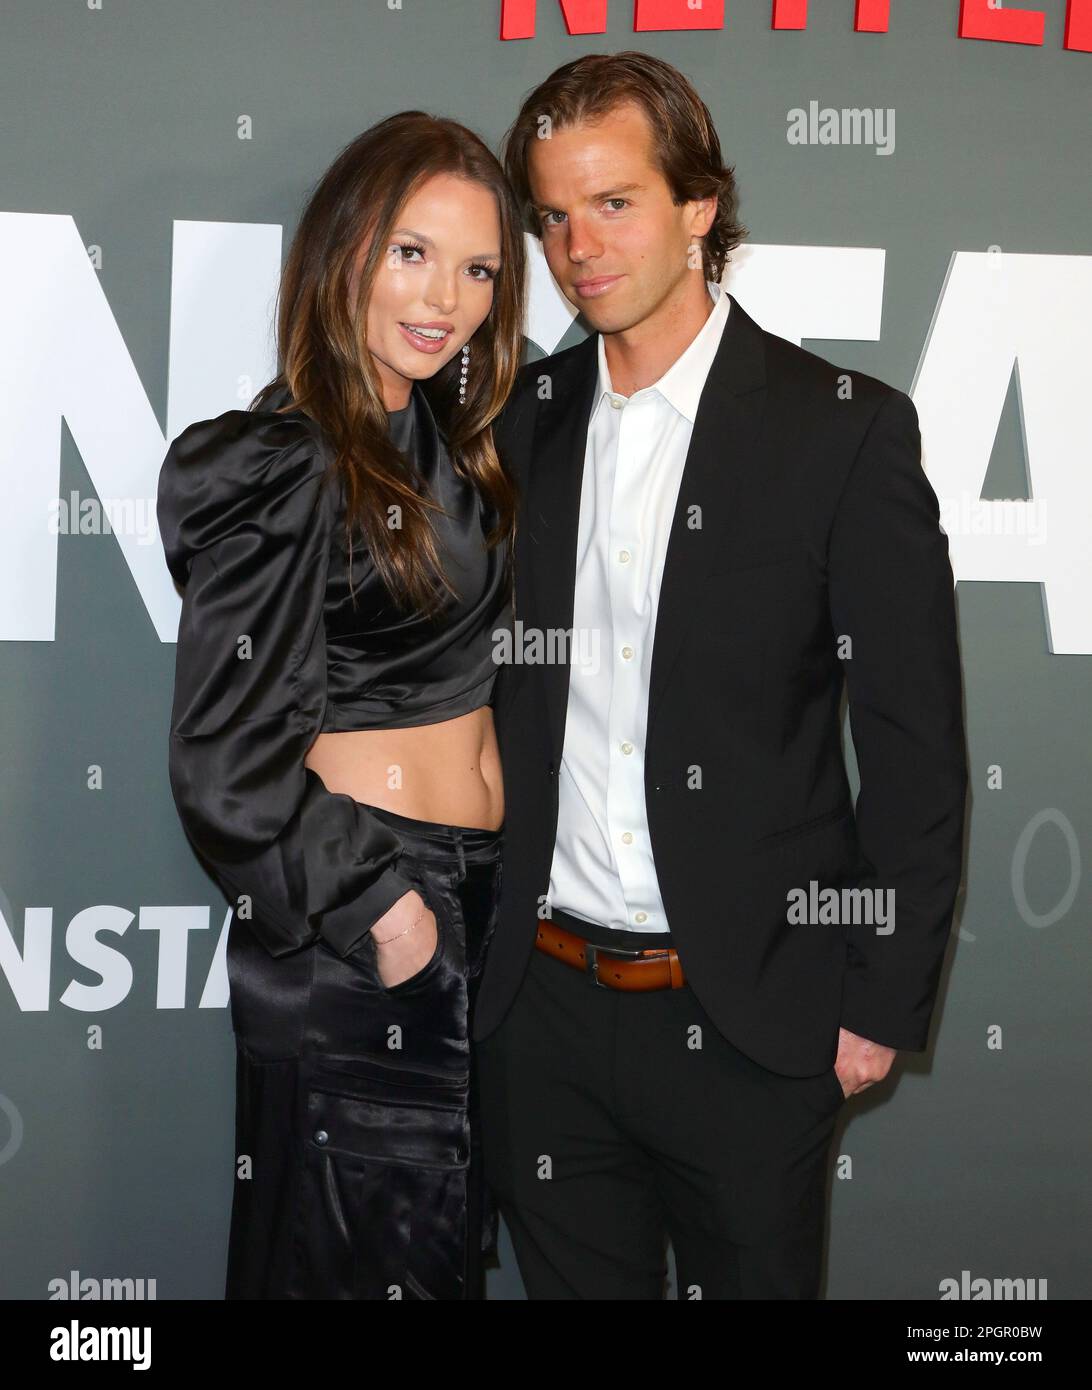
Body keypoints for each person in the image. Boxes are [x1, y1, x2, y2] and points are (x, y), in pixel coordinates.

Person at [477, 52, 969, 1299]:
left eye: (616, 202)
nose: (578, 244)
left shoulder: (840, 428)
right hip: (541, 1012)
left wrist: (878, 1004)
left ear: (700, 207)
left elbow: (915, 748)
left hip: (753, 1025)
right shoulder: (512, 426)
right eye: (552, 213)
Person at [156, 111, 526, 1300]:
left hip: (466, 900)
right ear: (345, 251)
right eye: (412, 252)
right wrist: (382, 907)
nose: (448, 299)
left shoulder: (452, 447)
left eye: (478, 268)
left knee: (430, 1261)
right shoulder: (284, 461)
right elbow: (224, 760)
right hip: (365, 915)